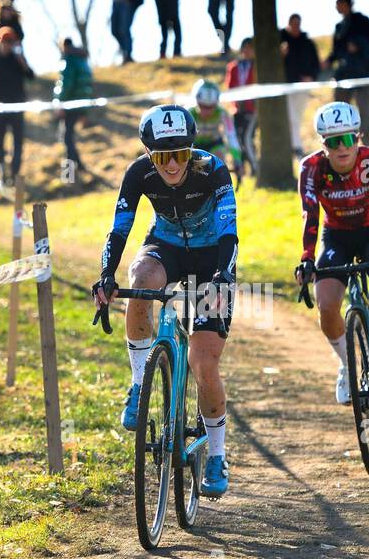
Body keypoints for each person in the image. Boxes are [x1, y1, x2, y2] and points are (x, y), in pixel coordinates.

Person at [92, 105, 238, 498]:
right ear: (147, 153)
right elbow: (119, 229)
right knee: (139, 281)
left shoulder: (214, 171)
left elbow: (229, 234)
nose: (172, 164)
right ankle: (139, 384)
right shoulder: (137, 173)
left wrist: (223, 276)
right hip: (166, 247)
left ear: (192, 150)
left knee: (203, 364)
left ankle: (217, 456)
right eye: (161, 156)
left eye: (181, 154)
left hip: (212, 259)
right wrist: (107, 274)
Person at [295, 101, 369, 413]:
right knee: (327, 304)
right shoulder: (311, 168)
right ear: (324, 145)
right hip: (335, 235)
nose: (341, 148)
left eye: (347, 139)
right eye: (333, 142)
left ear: (358, 138)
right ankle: (347, 367)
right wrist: (307, 257)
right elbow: (310, 216)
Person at [326, 0, 369, 145]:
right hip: (344, 76)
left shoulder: (362, 21)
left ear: (348, 4)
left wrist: (358, 45)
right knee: (340, 112)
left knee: (363, 113)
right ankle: (341, 145)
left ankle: (367, 146)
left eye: (341, 4)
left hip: (363, 75)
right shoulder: (339, 27)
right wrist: (328, 61)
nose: (338, 7)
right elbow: (337, 51)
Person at [0, 26, 35, 185]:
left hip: (17, 108)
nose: (7, 45)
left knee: (18, 142)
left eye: (10, 42)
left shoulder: (18, 60)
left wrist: (22, 63)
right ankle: (2, 172)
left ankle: (15, 173)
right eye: (4, 41)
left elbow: (31, 76)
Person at [280, 13, 322, 156]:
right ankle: (296, 147)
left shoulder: (308, 43)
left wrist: (311, 77)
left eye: (298, 24)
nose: (295, 27)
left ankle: (296, 146)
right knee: (291, 117)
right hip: (285, 87)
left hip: (303, 86)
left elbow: (316, 64)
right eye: (293, 24)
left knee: (297, 116)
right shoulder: (280, 41)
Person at [55, 37, 94, 180]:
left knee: (66, 138)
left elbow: (66, 84)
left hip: (69, 104)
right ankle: (78, 168)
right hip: (80, 104)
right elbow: (86, 86)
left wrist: (60, 103)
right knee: (68, 138)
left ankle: (68, 176)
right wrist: (84, 111)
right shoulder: (82, 60)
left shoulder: (69, 60)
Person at [190, 79, 244, 180]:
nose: (207, 111)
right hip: (195, 145)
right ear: (196, 101)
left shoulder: (223, 113)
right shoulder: (189, 112)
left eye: (211, 107)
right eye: (203, 106)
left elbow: (231, 137)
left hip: (214, 143)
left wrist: (237, 160)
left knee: (219, 156)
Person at [223, 38, 257, 178]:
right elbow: (230, 86)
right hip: (237, 109)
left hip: (252, 109)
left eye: (250, 48)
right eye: (245, 47)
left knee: (247, 138)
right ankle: (241, 168)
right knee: (237, 139)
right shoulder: (234, 66)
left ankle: (255, 168)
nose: (247, 51)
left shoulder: (257, 66)